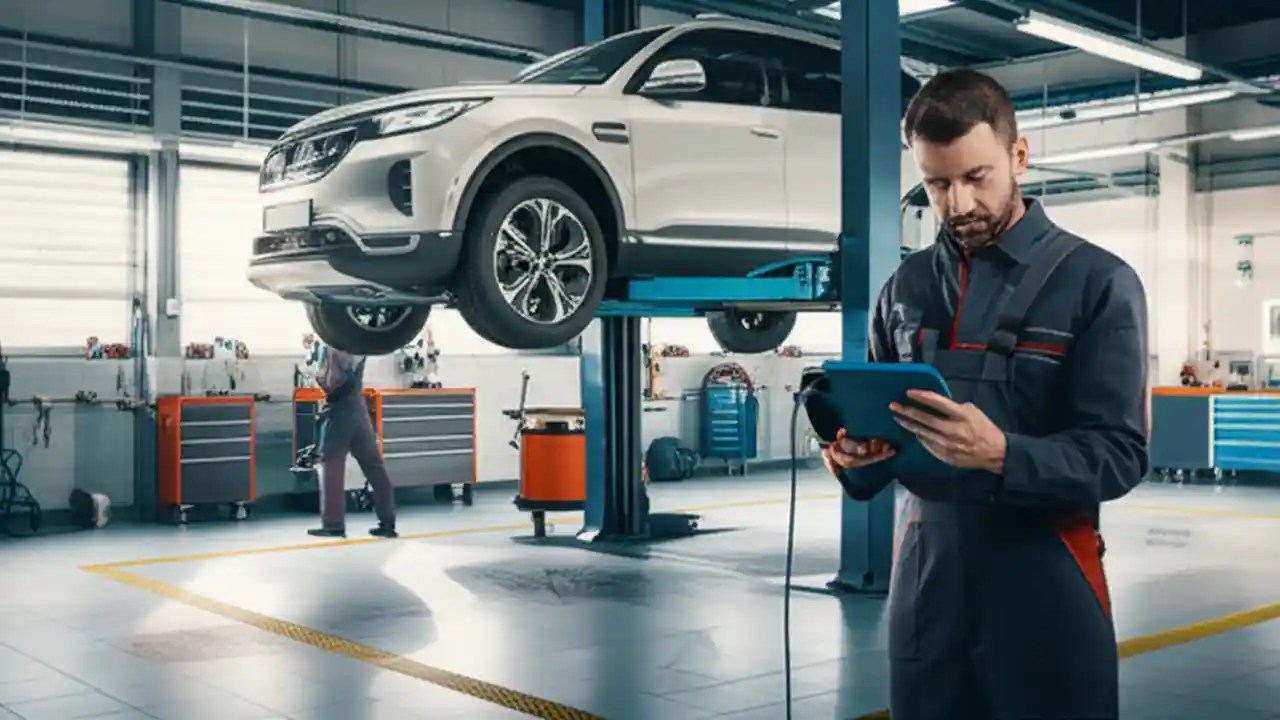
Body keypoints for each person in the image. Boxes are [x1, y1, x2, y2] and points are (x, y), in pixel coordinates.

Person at [823, 68, 1148, 719]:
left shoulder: (1099, 283)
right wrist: (850, 457)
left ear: (1018, 157)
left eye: (977, 178)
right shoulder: (904, 289)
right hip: (926, 578)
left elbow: (1119, 454)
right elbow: (871, 431)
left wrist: (1003, 453)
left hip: (1046, 577)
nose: (958, 204)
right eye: (937, 183)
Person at [308, 344, 398, 539]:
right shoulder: (359, 341)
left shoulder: (334, 341)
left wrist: (316, 370)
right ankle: (388, 521)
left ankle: (333, 524)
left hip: (340, 412)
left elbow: (330, 381)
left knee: (330, 465)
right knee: (374, 467)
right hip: (359, 411)